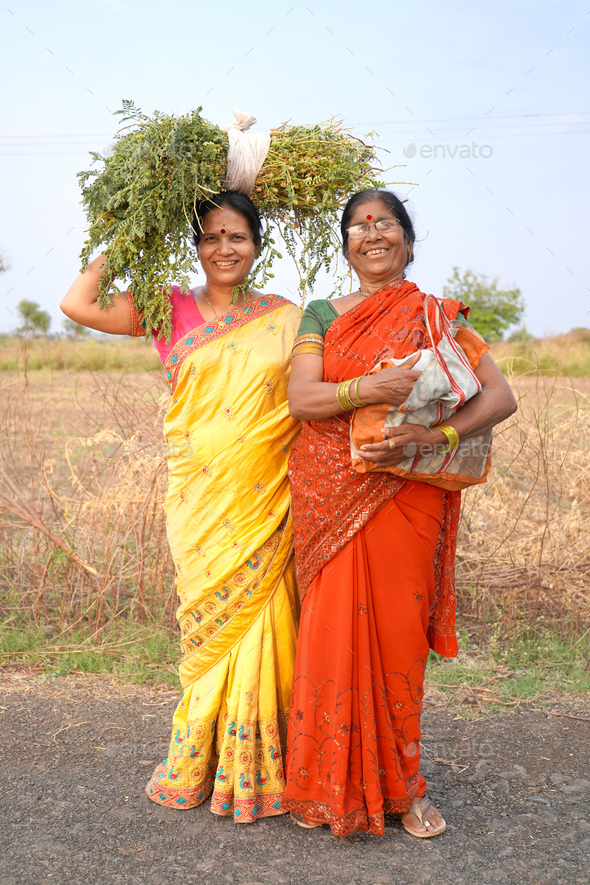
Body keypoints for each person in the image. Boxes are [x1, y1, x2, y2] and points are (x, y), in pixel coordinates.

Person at [283, 189, 517, 838]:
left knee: (398, 644)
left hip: (407, 496)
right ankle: (328, 785)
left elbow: (500, 395)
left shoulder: (437, 317)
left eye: (386, 222)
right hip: (332, 497)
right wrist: (371, 389)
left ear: (409, 242)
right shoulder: (322, 313)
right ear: (347, 246)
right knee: (331, 642)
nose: (373, 233)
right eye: (359, 226)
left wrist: (432, 438)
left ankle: (405, 786)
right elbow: (304, 397)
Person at [61, 192, 301, 822]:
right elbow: (76, 303)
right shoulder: (167, 307)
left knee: (264, 622)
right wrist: (134, 225)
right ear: (196, 245)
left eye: (239, 237)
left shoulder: (286, 316)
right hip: (197, 500)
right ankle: (200, 759)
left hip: (266, 497)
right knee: (212, 626)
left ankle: (264, 766)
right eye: (212, 237)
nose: (226, 248)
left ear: (258, 246)